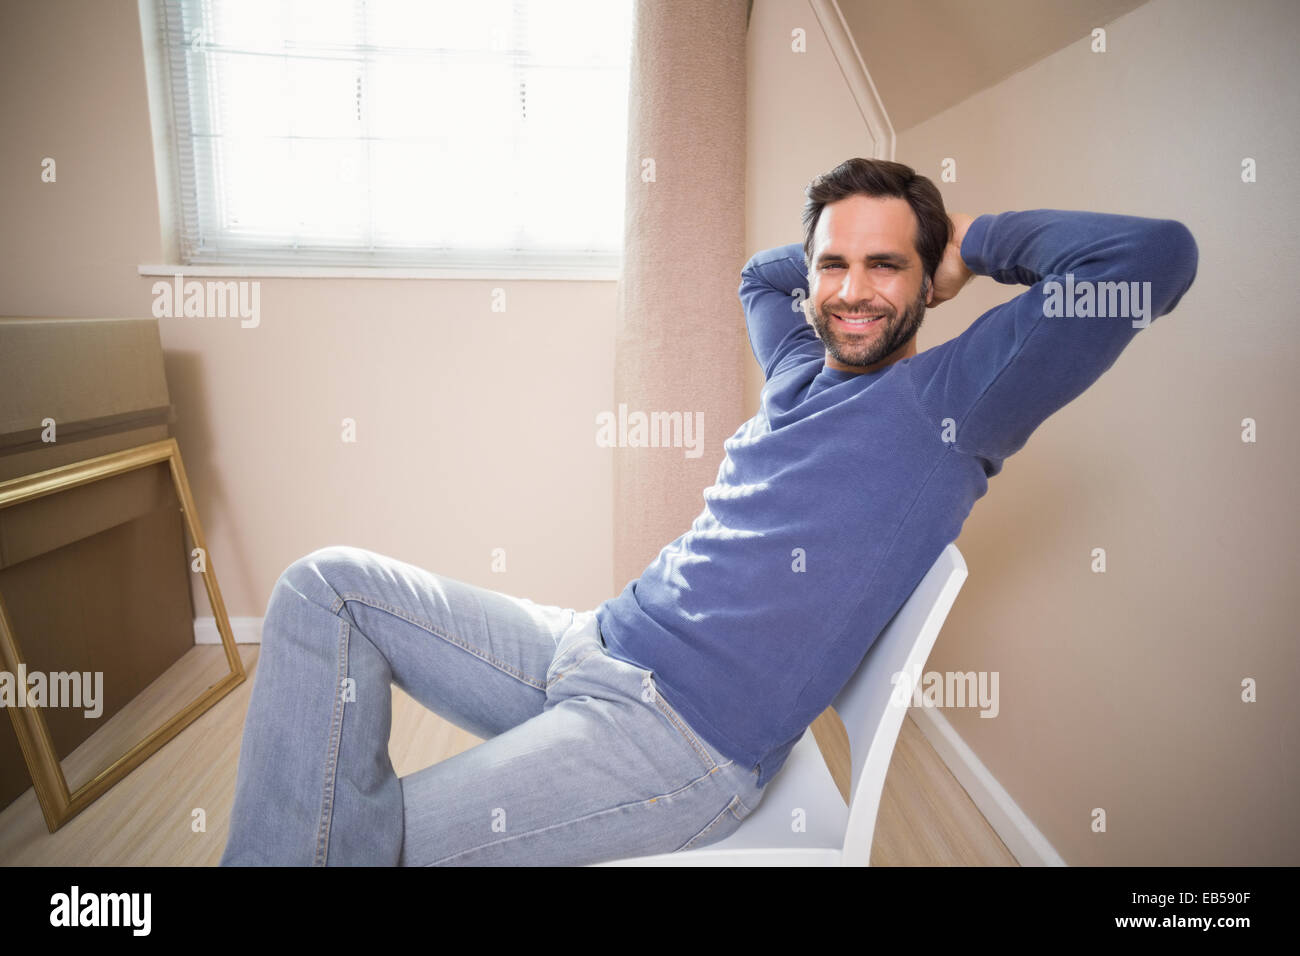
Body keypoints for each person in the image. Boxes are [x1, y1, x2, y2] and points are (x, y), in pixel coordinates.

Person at [220, 157, 1198, 866]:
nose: (853, 291)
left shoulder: (954, 399)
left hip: (676, 738)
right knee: (323, 588)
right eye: (833, 265)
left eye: (886, 266)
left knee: (353, 841)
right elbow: (757, 275)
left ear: (924, 281)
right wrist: (837, 240)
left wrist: (971, 244)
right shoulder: (797, 365)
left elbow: (1152, 257)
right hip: (588, 640)